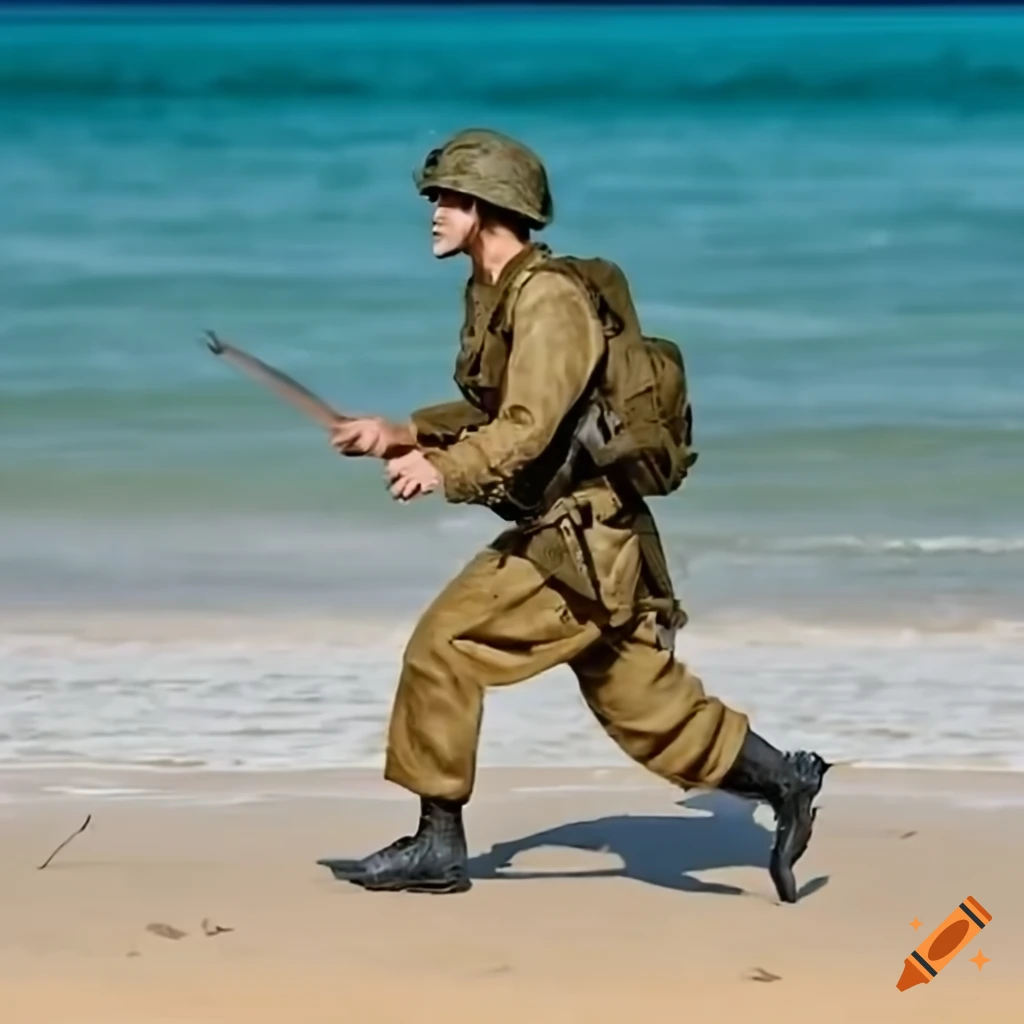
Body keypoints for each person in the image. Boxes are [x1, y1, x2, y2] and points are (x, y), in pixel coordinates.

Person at [317, 128, 830, 903]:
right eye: (435, 196)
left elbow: (528, 427)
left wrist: (442, 468)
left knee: (443, 645)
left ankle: (437, 844)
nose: (433, 209)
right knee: (645, 705)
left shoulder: (549, 299)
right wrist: (403, 431)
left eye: (450, 197)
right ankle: (786, 782)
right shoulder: (498, 291)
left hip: (578, 535)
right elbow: (501, 407)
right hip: (593, 539)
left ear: (491, 209)